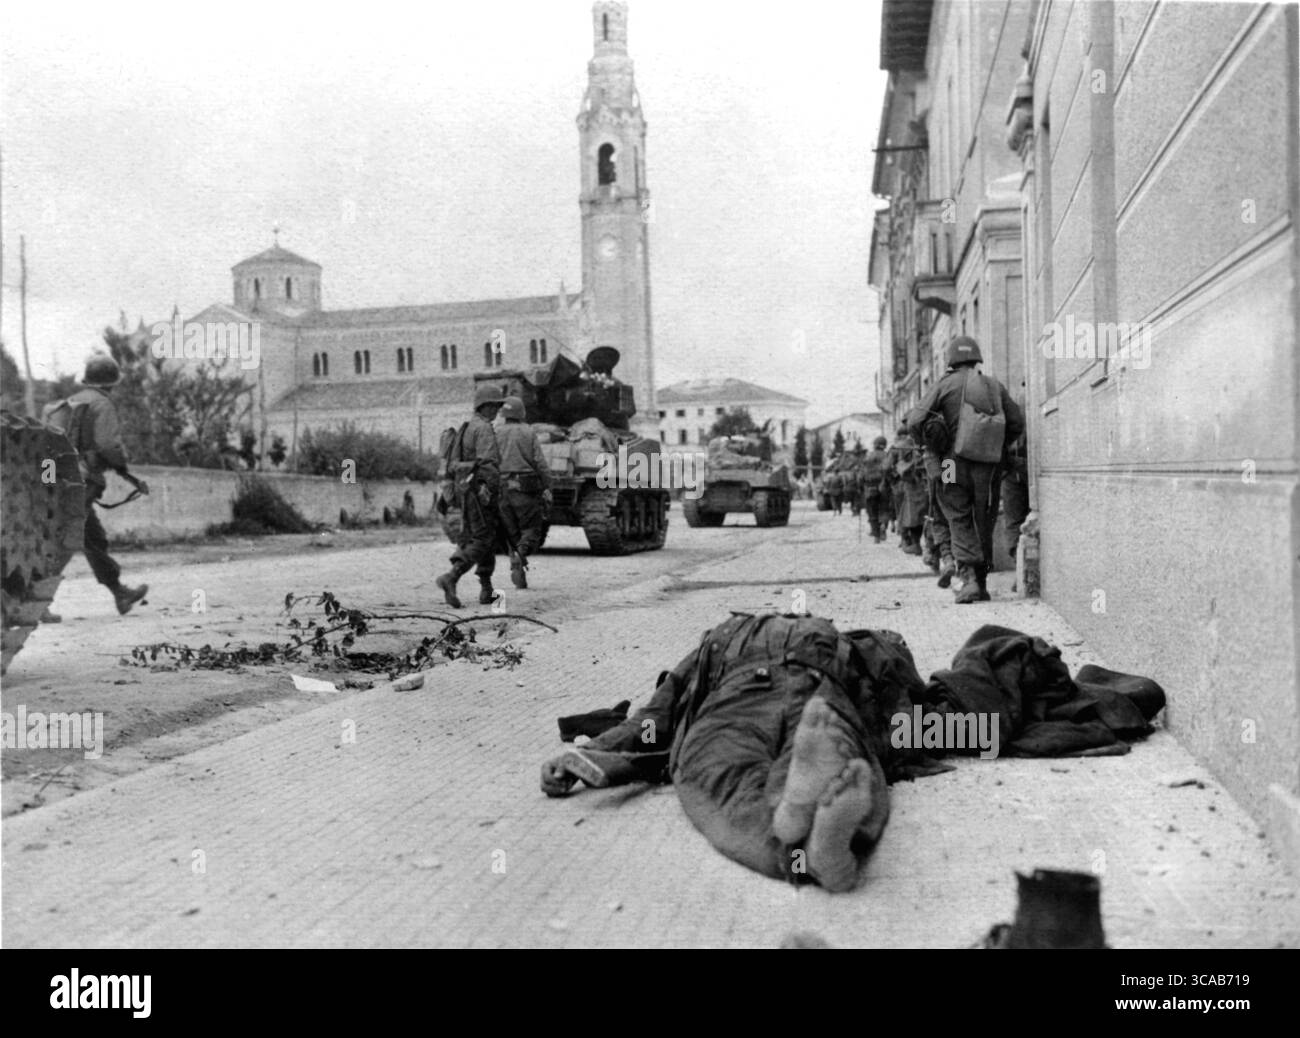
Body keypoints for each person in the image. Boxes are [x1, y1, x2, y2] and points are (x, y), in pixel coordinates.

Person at [540, 612, 942, 892]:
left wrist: (591, 753)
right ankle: (815, 826)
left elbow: (653, 719)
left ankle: (795, 837)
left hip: (736, 691)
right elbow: (897, 710)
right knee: (848, 757)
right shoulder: (846, 643)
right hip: (821, 684)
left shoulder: (721, 635)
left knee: (721, 775)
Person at [909, 336, 1025, 604]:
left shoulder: (944, 385)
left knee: (957, 514)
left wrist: (934, 441)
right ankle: (981, 582)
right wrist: (996, 444)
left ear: (951, 360)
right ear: (976, 359)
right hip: (988, 466)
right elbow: (1016, 422)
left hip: (951, 464)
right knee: (983, 518)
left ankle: (969, 579)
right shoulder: (993, 385)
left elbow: (915, 421)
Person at [52, 355, 150, 616]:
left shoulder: (70, 402)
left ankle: (120, 593)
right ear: (111, 383)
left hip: (60, 480)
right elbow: (108, 444)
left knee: (92, 538)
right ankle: (30, 598)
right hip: (82, 481)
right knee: (65, 541)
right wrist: (123, 467)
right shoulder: (102, 404)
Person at [436, 384, 503, 608]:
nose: (497, 411)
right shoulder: (483, 428)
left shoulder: (467, 426)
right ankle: (452, 577)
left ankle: (486, 589)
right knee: (483, 538)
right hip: (480, 491)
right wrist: (493, 489)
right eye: (494, 406)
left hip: (466, 491)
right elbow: (488, 463)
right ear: (484, 406)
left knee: (480, 537)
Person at [495, 395, 552, 589]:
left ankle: (515, 560)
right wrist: (547, 485)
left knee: (511, 531)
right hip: (525, 489)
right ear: (521, 413)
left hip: (501, 488)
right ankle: (520, 555)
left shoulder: (496, 432)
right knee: (531, 530)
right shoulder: (528, 432)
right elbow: (539, 462)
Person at [861, 436, 889, 542]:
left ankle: (876, 535)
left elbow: (861, 474)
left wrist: (861, 485)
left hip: (870, 487)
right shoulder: (887, 455)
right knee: (884, 509)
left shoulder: (868, 456)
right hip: (884, 486)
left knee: (872, 510)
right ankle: (883, 526)